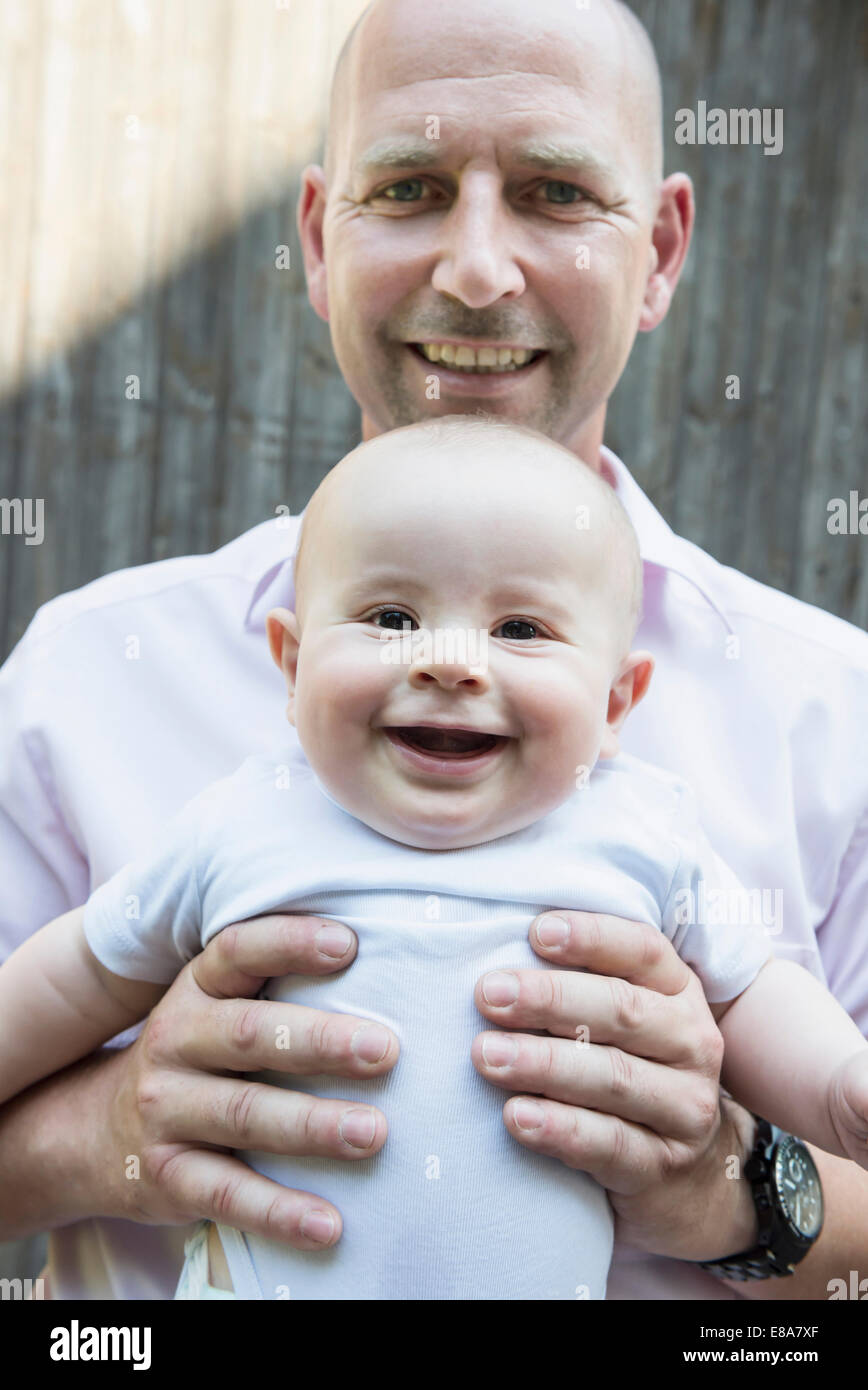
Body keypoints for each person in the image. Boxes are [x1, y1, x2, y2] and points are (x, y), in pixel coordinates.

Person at [1, 0, 866, 1301]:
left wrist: (728, 1182)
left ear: (662, 249)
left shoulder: (833, 711)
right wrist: (111, 1135)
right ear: (317, 237)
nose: (475, 268)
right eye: (406, 186)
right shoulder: (85, 674)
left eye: (556, 191)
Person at [2, 416, 865, 1301]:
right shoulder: (245, 821)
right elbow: (78, 976)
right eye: (391, 617)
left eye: (521, 629)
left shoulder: (644, 834)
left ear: (614, 704)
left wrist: (841, 1090)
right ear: (292, 668)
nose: (452, 662)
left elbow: (753, 994)